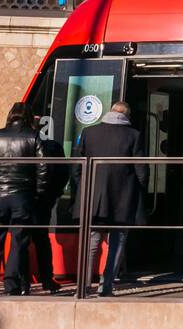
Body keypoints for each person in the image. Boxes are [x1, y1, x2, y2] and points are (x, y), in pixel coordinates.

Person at [75, 101, 147, 296]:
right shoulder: (134, 135)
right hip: (122, 198)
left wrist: (82, 187)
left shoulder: (89, 132)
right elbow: (141, 170)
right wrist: (139, 192)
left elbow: (77, 165)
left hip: (94, 197)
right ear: (127, 116)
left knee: (92, 242)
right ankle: (105, 288)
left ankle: (83, 287)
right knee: (117, 242)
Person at [0, 104, 49, 296]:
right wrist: (37, 193)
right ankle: (12, 285)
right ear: (29, 117)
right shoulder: (33, 137)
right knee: (19, 241)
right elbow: (43, 169)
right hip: (23, 196)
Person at [30, 132, 69, 294]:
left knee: (19, 240)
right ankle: (47, 279)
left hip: (18, 197)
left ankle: (17, 283)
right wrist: (52, 195)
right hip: (43, 200)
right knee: (41, 239)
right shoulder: (52, 146)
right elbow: (62, 173)